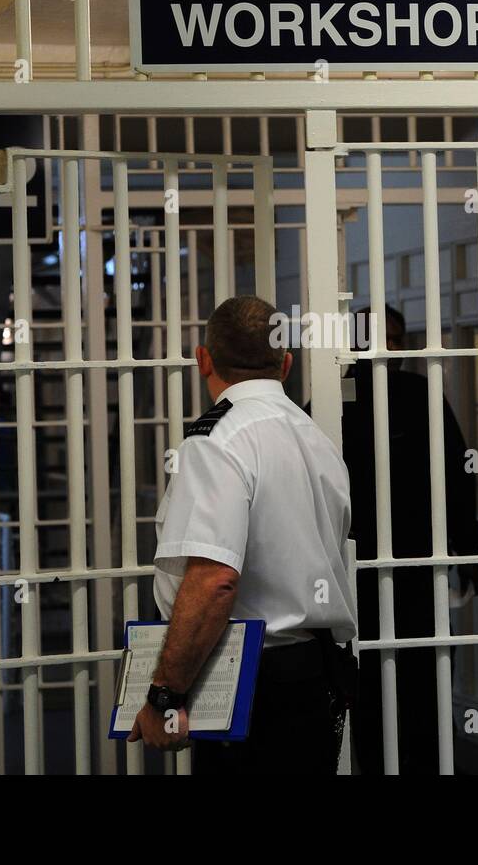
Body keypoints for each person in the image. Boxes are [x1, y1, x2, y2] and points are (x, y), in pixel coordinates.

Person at [129, 295, 357, 774]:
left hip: (250, 680)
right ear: (286, 363)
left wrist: (165, 694)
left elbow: (215, 580)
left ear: (203, 360)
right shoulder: (316, 439)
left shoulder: (218, 440)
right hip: (316, 674)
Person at [342, 306, 478, 774]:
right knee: (420, 690)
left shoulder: (330, 401)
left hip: (362, 572)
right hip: (407, 570)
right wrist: (466, 547)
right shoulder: (419, 394)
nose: (395, 348)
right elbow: (459, 475)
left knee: (371, 695)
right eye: (390, 338)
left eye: (399, 338)